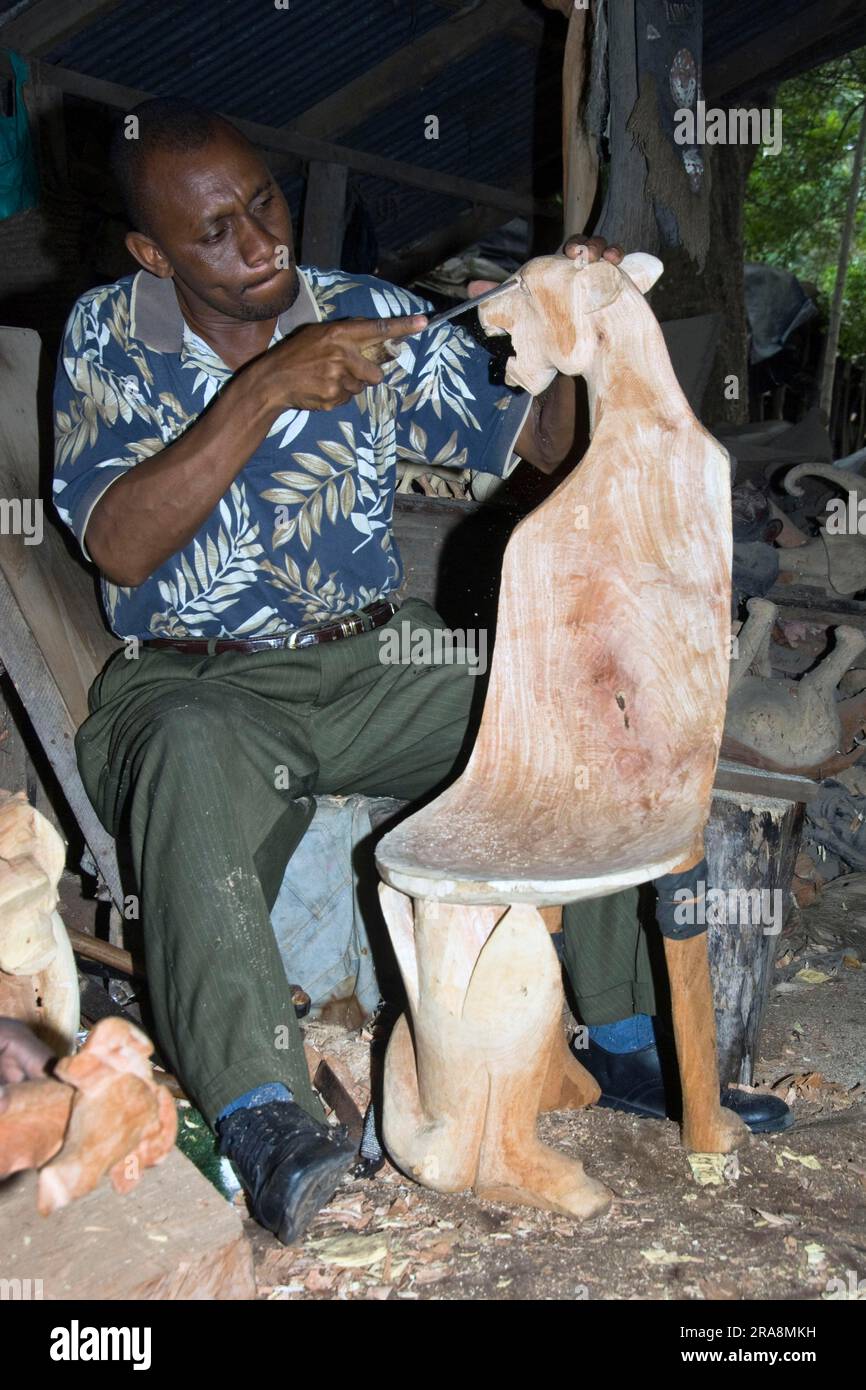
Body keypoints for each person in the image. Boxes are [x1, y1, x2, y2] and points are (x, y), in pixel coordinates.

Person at [52, 99, 787, 1245]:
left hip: (372, 657)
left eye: (265, 205)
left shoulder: (370, 311)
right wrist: (265, 390)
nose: (260, 246)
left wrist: (566, 330)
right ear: (152, 252)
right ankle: (265, 1117)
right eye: (214, 233)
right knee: (190, 759)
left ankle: (625, 1037)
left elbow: (531, 443)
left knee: (561, 716)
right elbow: (119, 542)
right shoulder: (108, 333)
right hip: (197, 683)